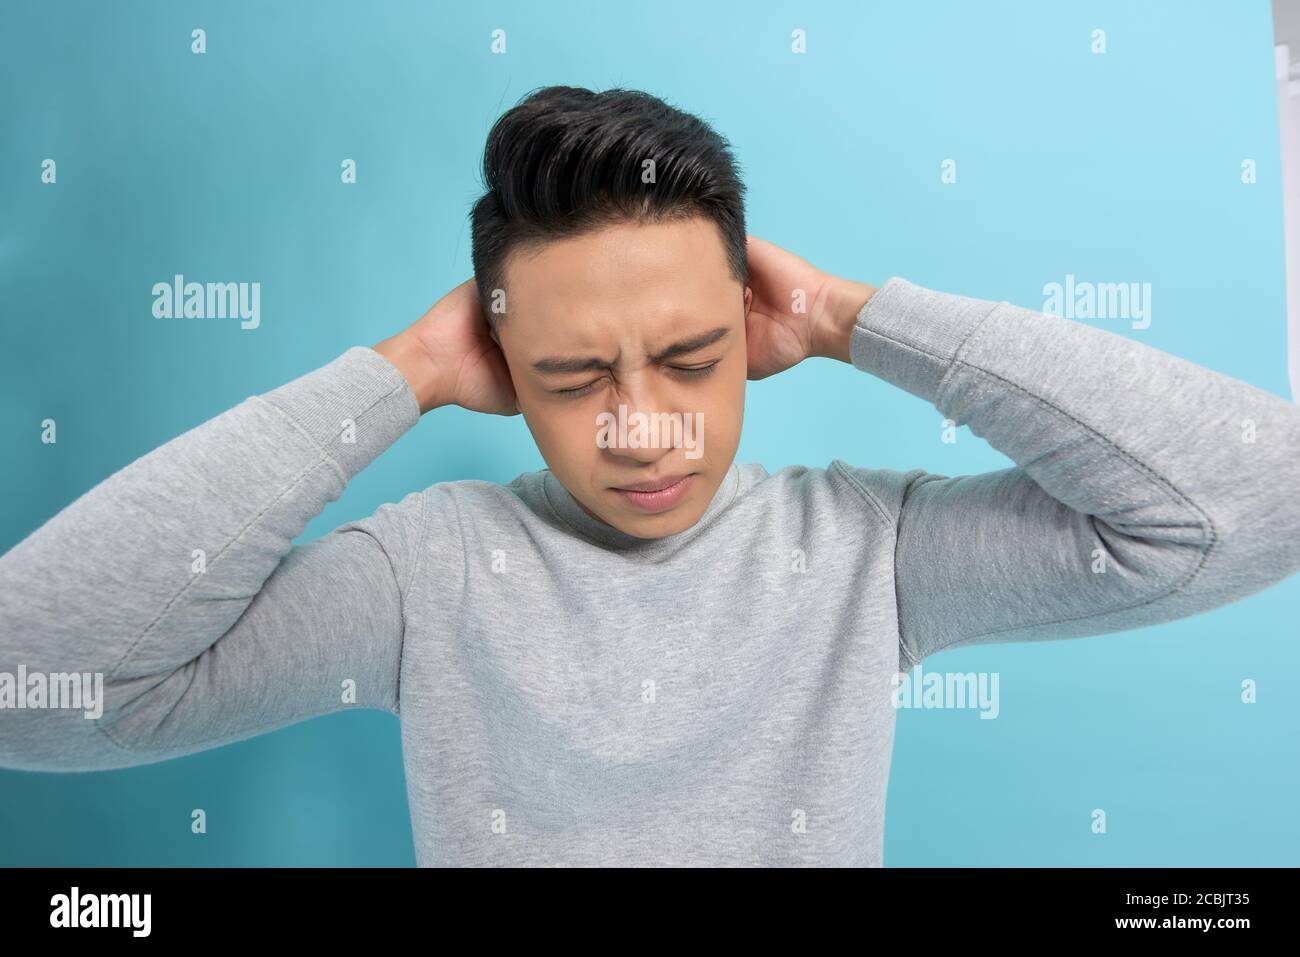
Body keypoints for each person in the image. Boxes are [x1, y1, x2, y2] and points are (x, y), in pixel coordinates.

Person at [2, 86, 1299, 867]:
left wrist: (859, 317)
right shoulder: (425, 571)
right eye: (573, 379)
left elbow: (1252, 501)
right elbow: (31, 690)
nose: (642, 431)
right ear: (501, 358)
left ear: (750, 326)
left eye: (688, 358)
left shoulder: (866, 552)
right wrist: (390, 374)